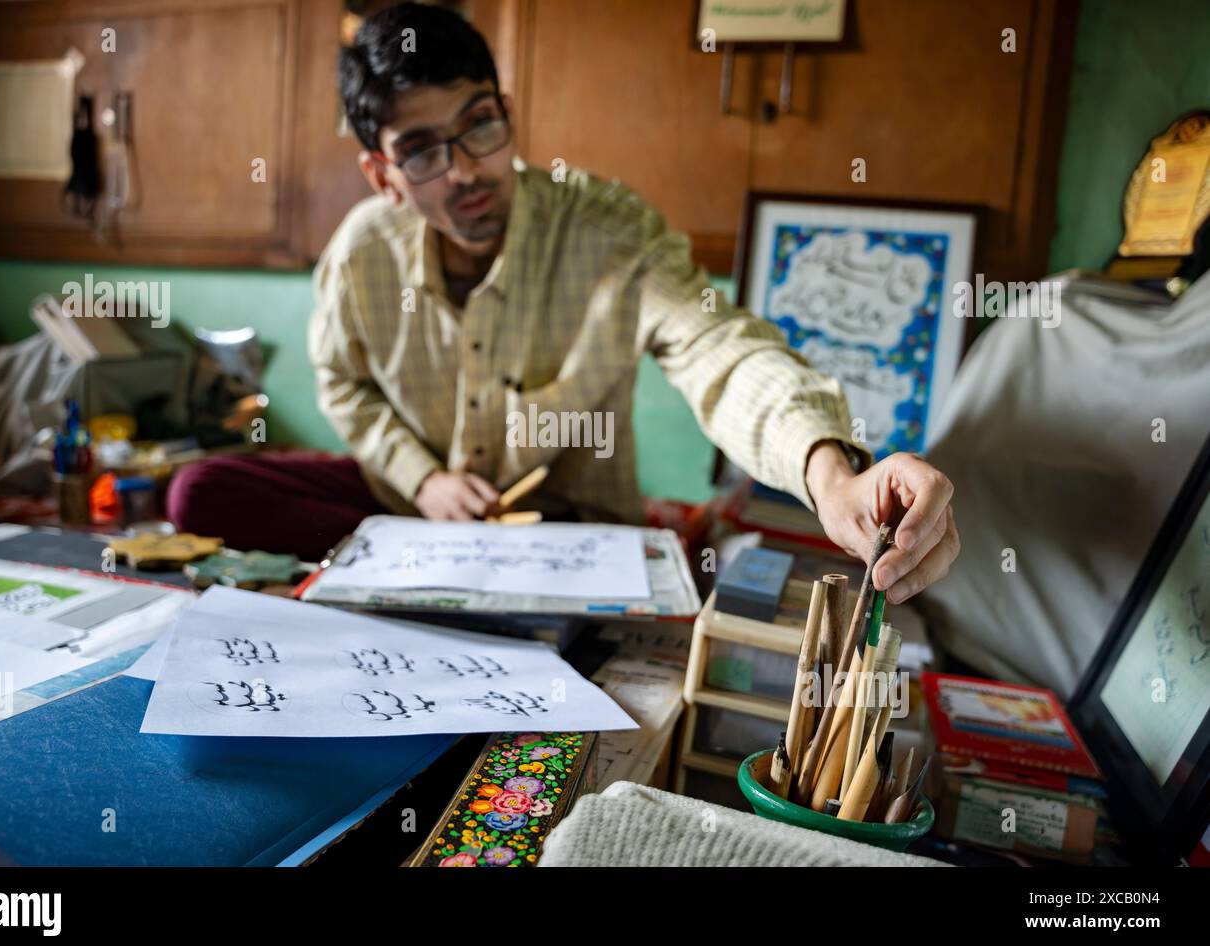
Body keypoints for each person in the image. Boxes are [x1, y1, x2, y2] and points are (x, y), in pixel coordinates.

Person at [168, 3, 959, 603]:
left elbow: (720, 350)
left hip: (563, 528)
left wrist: (830, 474)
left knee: (631, 593)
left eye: (480, 125)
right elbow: (345, 384)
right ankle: (406, 564)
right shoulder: (359, 252)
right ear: (382, 174)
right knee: (198, 492)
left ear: (506, 114)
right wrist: (421, 481)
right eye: (422, 152)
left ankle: (438, 576)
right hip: (418, 514)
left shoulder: (607, 231)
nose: (467, 170)